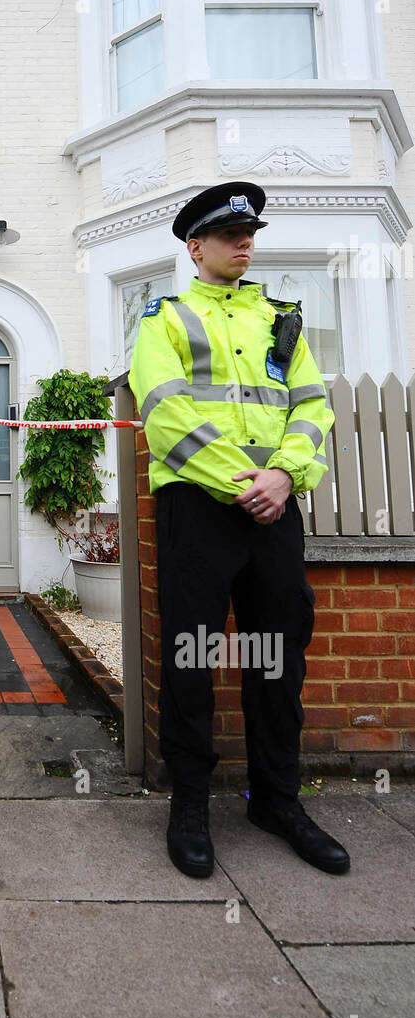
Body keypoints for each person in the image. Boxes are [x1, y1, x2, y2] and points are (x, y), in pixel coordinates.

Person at [129, 182, 350, 879]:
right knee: (192, 655)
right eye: (229, 235)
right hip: (199, 507)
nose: (244, 243)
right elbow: (161, 410)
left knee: (279, 656)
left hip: (275, 508)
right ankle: (188, 803)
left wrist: (284, 476)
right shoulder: (163, 317)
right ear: (195, 247)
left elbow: (312, 407)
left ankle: (275, 800)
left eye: (249, 232)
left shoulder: (282, 318)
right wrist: (243, 483)